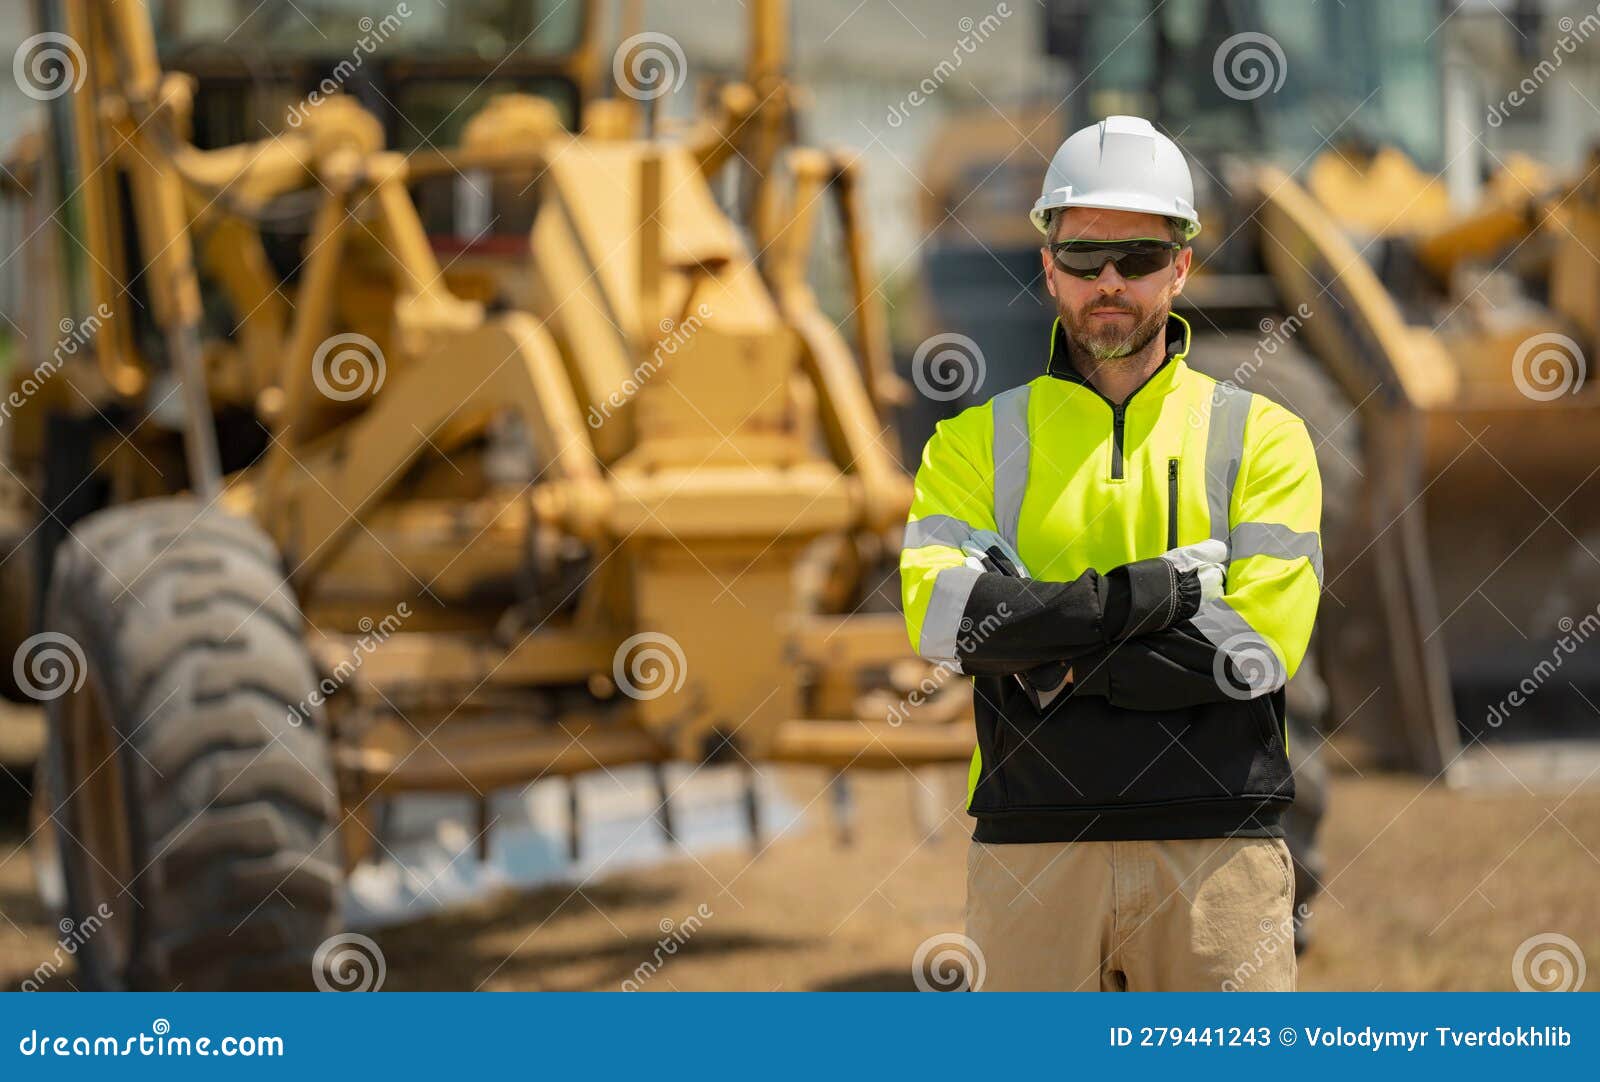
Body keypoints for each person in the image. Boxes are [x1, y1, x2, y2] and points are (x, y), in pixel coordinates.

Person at [900, 115, 1322, 991]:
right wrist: (1156, 594)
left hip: (1217, 858)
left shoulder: (1265, 438)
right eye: (1085, 256)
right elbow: (945, 623)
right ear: (1048, 264)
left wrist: (1044, 653)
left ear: (1182, 266)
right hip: (1033, 855)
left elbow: (1255, 652)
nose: (1110, 281)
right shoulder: (972, 444)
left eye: (1138, 256)